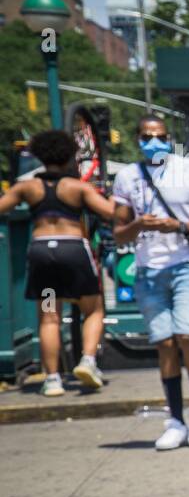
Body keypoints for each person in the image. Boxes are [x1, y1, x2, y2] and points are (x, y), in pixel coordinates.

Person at [112, 116, 189, 451]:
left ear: (169, 138)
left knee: (188, 335)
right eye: (147, 137)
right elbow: (118, 232)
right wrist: (138, 224)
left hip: (185, 263)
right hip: (148, 268)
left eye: (159, 136)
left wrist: (178, 225)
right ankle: (176, 418)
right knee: (164, 343)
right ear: (138, 139)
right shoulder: (127, 176)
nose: (153, 142)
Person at [0, 130, 116, 396]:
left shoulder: (27, 187)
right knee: (94, 310)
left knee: (50, 317)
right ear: (69, 157)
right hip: (72, 250)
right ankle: (87, 361)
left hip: (42, 253)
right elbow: (110, 213)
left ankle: (52, 379)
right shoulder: (78, 187)